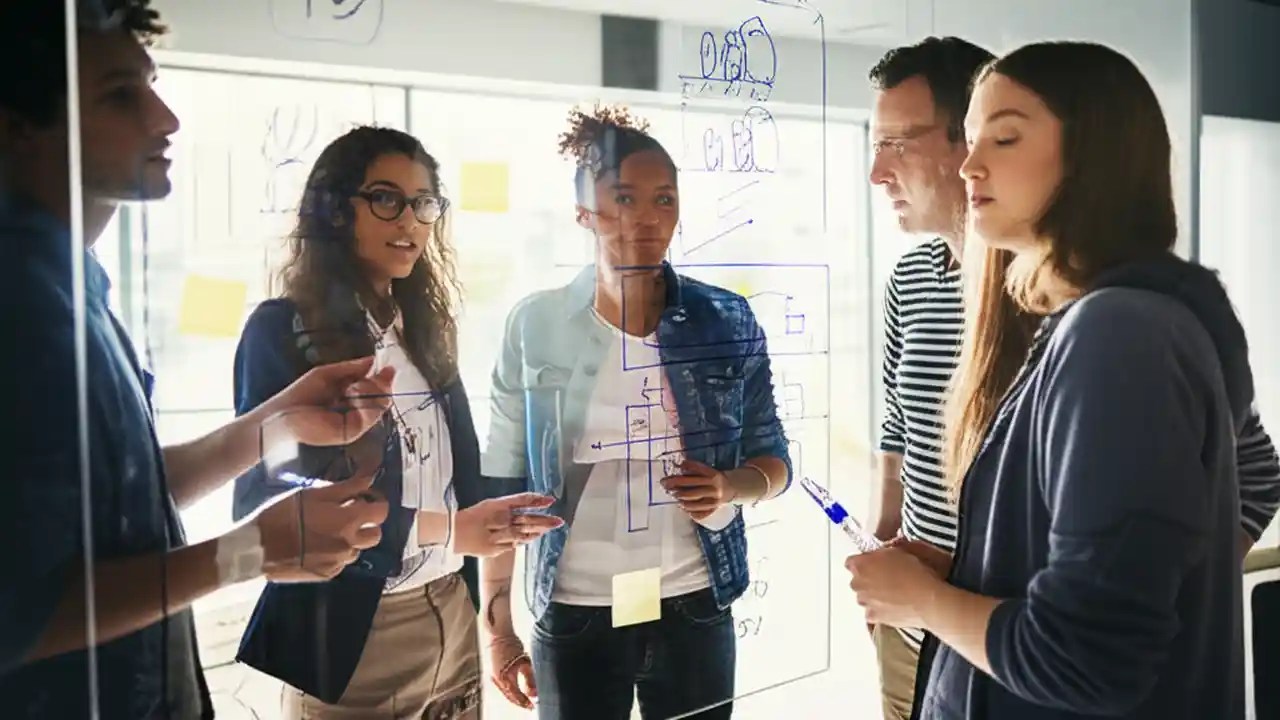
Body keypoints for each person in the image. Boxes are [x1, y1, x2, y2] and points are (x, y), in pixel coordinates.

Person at [863, 36, 1280, 720]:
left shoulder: (1118, 335)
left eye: (1003, 138)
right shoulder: (1081, 322)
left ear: (1093, 153)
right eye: (973, 139)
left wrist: (929, 601)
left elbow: (1087, 657)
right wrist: (958, 585)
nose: (971, 166)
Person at [1, 3, 398, 718]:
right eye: (120, 95)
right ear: (18, 122)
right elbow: (14, 609)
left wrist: (276, 422)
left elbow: (119, 505)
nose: (165, 119)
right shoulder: (19, 301)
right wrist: (243, 554)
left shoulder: (74, 282)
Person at [230, 125, 565, 719]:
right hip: (355, 632)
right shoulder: (284, 329)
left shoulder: (423, 332)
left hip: (450, 613)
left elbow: (456, 479)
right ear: (336, 210)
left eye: (424, 203)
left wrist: (507, 530)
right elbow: (271, 496)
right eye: (386, 199)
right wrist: (448, 528)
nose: (409, 220)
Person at [479, 105, 792, 720]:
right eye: (623, 197)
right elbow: (502, 481)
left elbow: (775, 459)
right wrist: (497, 625)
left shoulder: (724, 321)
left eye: (665, 199)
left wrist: (732, 485)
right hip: (573, 609)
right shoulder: (534, 325)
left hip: (695, 603)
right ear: (583, 210)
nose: (647, 218)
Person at [864, 36, 997, 720]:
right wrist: (885, 539)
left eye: (898, 143)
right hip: (908, 624)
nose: (876, 172)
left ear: (967, 143)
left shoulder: (1052, 298)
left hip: (996, 633)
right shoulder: (911, 278)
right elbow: (898, 424)